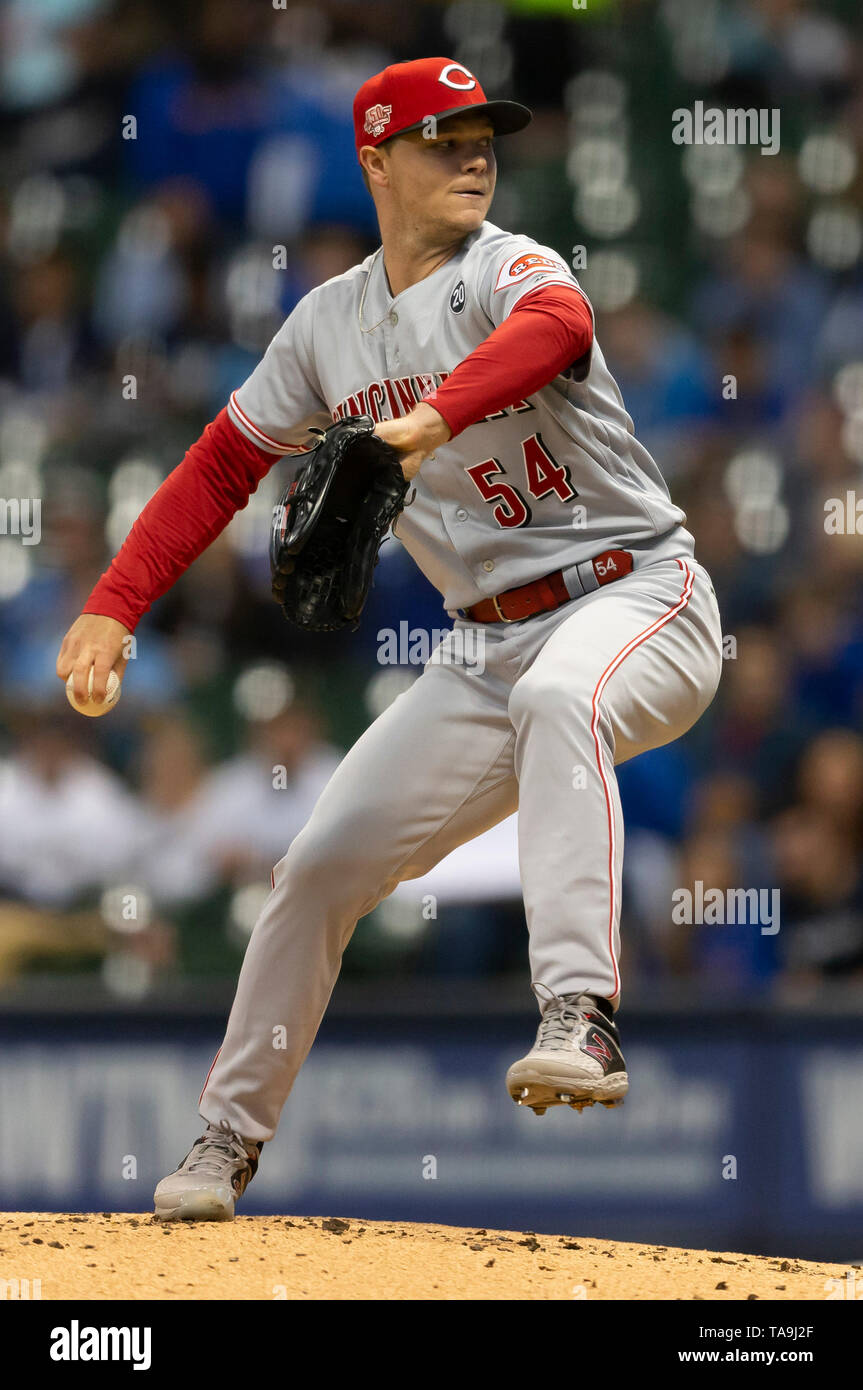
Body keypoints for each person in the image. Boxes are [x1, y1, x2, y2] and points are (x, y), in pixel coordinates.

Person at [56, 57, 724, 1222]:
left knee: (559, 696)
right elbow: (223, 461)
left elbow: (556, 324)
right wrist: (116, 598)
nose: (473, 155)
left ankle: (581, 1014)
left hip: (637, 597)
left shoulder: (509, 266)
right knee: (316, 867)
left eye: (482, 137)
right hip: (486, 647)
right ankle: (224, 1140)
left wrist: (427, 418)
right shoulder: (329, 325)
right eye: (439, 139)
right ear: (373, 160)